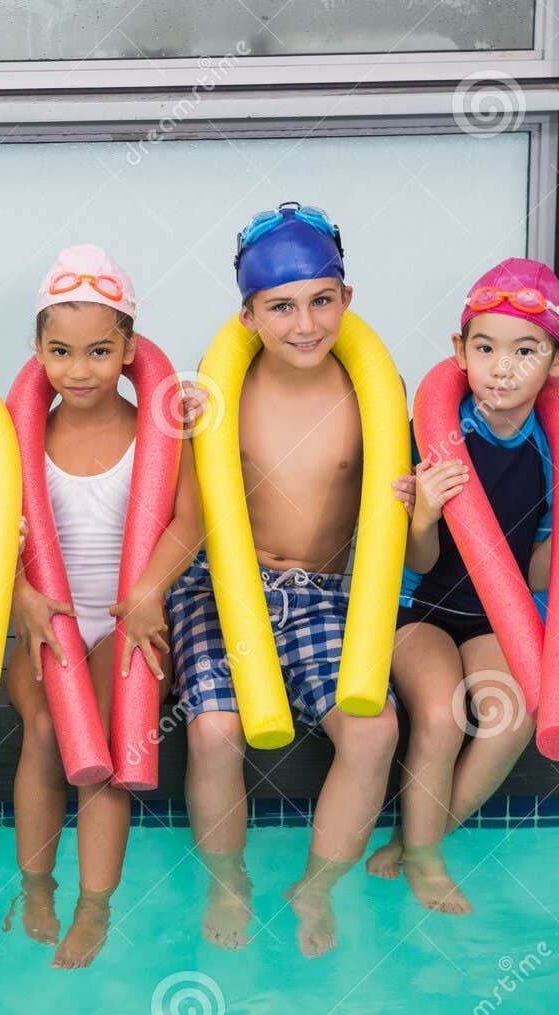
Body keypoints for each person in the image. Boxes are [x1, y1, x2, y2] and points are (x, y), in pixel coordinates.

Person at [166, 204, 401, 956]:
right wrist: (148, 590)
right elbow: (188, 515)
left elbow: (409, 509)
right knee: (212, 729)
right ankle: (228, 878)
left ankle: (317, 886)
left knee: (375, 730)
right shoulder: (216, 393)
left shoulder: (375, 388)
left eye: (321, 300)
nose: (305, 323)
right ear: (249, 314)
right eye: (282, 306)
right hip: (223, 588)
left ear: (348, 298)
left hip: (326, 595)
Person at [369, 258, 559, 912]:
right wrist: (423, 510)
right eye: (485, 348)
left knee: (510, 717)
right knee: (443, 714)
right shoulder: (439, 432)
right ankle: (424, 860)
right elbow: (415, 561)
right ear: (460, 352)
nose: (501, 367)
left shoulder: (553, 451)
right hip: (418, 610)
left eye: (524, 350)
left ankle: (422, 838)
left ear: (557, 361)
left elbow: (537, 574)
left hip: (492, 616)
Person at [4, 245, 203, 968]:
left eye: (97, 351)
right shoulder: (20, 435)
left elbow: (192, 517)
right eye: (60, 351)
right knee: (42, 729)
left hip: (130, 619)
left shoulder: (158, 429)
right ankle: (36, 884)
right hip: (46, 615)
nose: (78, 369)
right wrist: (22, 595)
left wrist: (150, 590)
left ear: (127, 351)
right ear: (37, 351)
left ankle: (95, 902)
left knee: (108, 754)